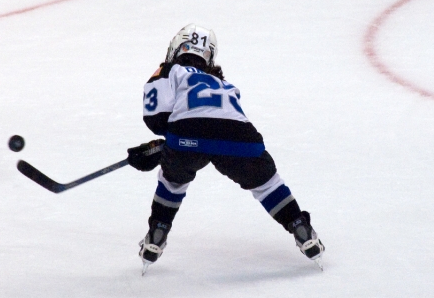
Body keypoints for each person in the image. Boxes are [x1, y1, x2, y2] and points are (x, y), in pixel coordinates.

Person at [127, 23, 324, 272]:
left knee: (173, 181)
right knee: (267, 184)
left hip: (187, 137)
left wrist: (162, 149)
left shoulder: (169, 70)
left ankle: (158, 232)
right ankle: (300, 226)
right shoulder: (221, 82)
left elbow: (157, 119)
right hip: (240, 136)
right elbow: (217, 120)